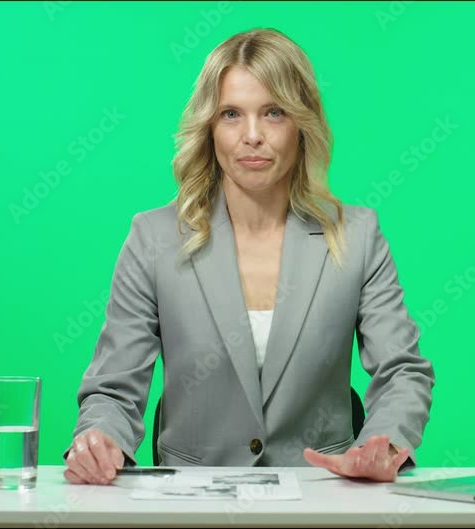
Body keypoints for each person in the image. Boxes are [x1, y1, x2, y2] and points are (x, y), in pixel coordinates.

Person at [63, 28, 435, 485]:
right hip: (190, 504)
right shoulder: (152, 238)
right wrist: (99, 438)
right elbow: (112, 389)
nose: (252, 135)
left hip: (323, 501)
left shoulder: (357, 235)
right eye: (232, 114)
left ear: (302, 124)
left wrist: (384, 443)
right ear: (210, 127)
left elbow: (402, 372)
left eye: (274, 113)